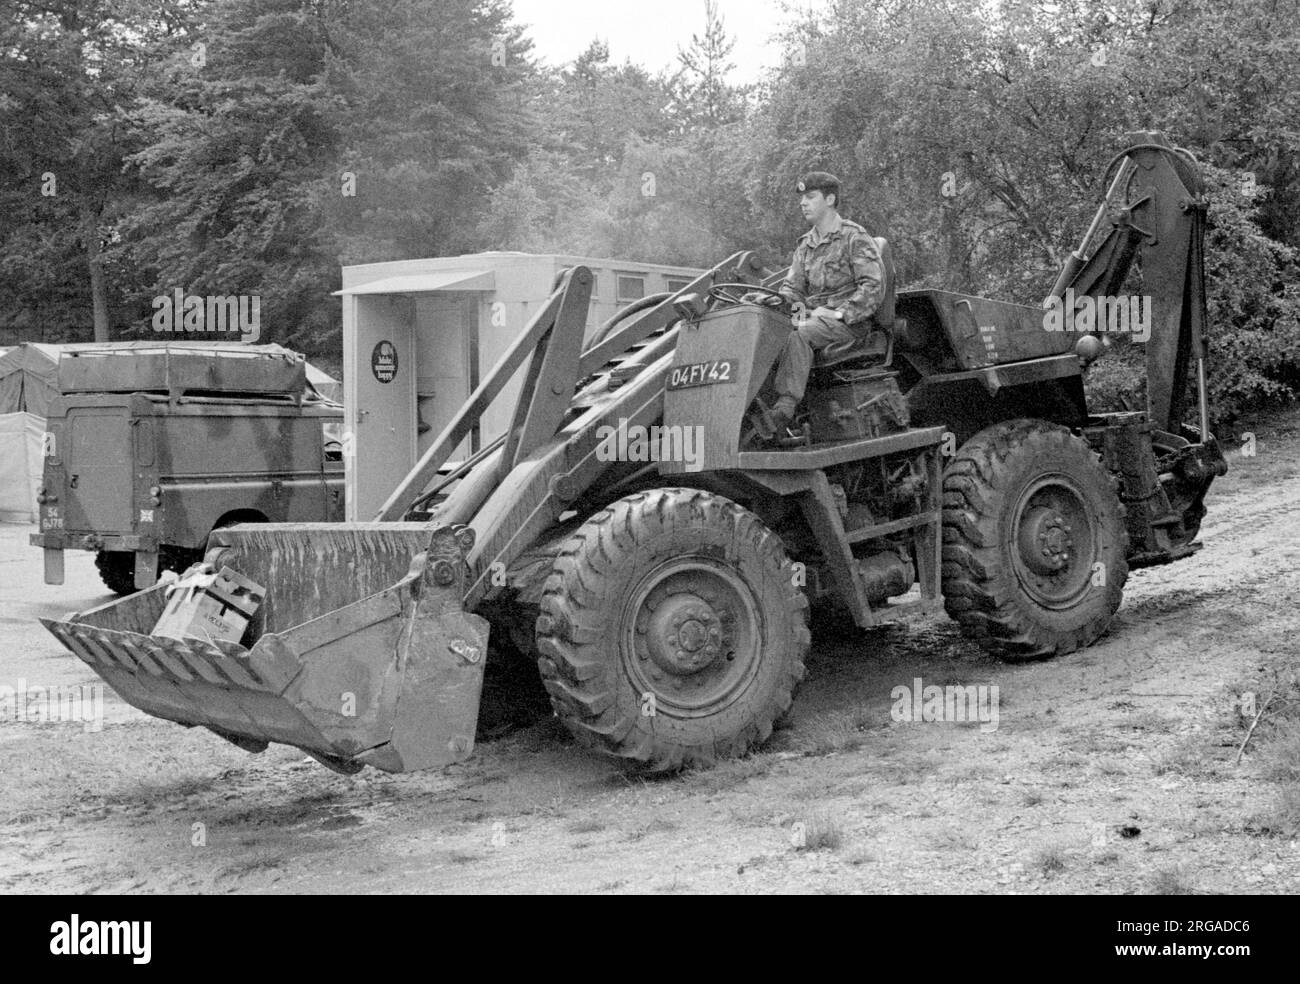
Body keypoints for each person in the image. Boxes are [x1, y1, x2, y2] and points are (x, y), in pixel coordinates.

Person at [767, 172, 885, 431]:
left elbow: (873, 287)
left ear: (830, 199)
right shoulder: (805, 245)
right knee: (771, 331)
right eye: (802, 198)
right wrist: (771, 302)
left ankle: (785, 406)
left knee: (799, 334)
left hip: (850, 322)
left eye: (811, 197)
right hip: (814, 317)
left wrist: (840, 314)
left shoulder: (854, 237)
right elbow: (793, 290)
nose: (803, 203)